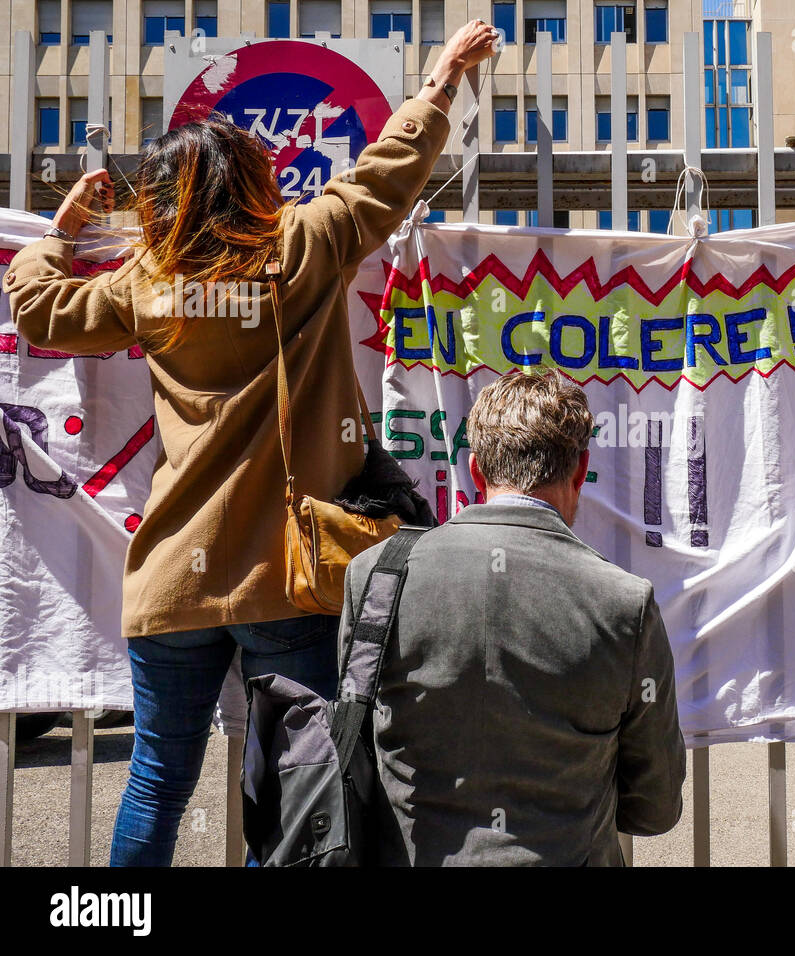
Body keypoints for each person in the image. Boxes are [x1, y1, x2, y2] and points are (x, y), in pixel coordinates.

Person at [7, 20, 498, 866]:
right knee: (302, 777)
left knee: (158, 779)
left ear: (166, 201)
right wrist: (441, 79)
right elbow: (390, 171)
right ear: (256, 180)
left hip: (170, 575)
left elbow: (41, 310)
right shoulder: (306, 244)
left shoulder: (145, 282)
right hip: (288, 569)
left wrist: (62, 230)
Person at [340, 369, 686, 866]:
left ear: (477, 471)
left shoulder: (377, 577)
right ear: (580, 468)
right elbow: (654, 808)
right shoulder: (624, 602)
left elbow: (357, 746)